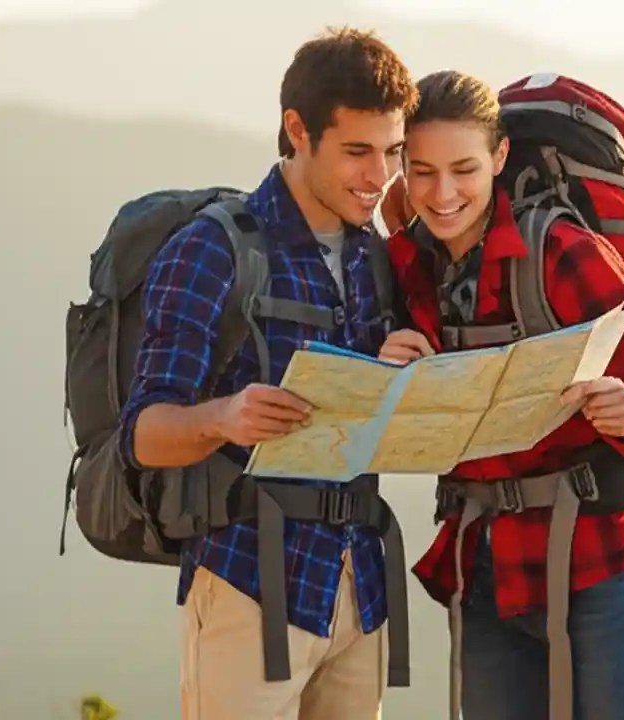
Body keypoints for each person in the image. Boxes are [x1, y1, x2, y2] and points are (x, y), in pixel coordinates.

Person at [379, 70, 624, 720]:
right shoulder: (407, 268)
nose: (443, 195)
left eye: (464, 169)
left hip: (604, 560)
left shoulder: (562, 253)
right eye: (423, 172)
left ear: (499, 158)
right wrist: (385, 376)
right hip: (486, 569)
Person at [118, 27, 419, 720]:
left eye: (392, 153)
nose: (380, 176)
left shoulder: (377, 260)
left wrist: (402, 377)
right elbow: (143, 434)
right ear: (297, 130)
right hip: (250, 580)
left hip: (360, 586)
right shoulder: (212, 250)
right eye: (357, 152)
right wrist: (223, 418)